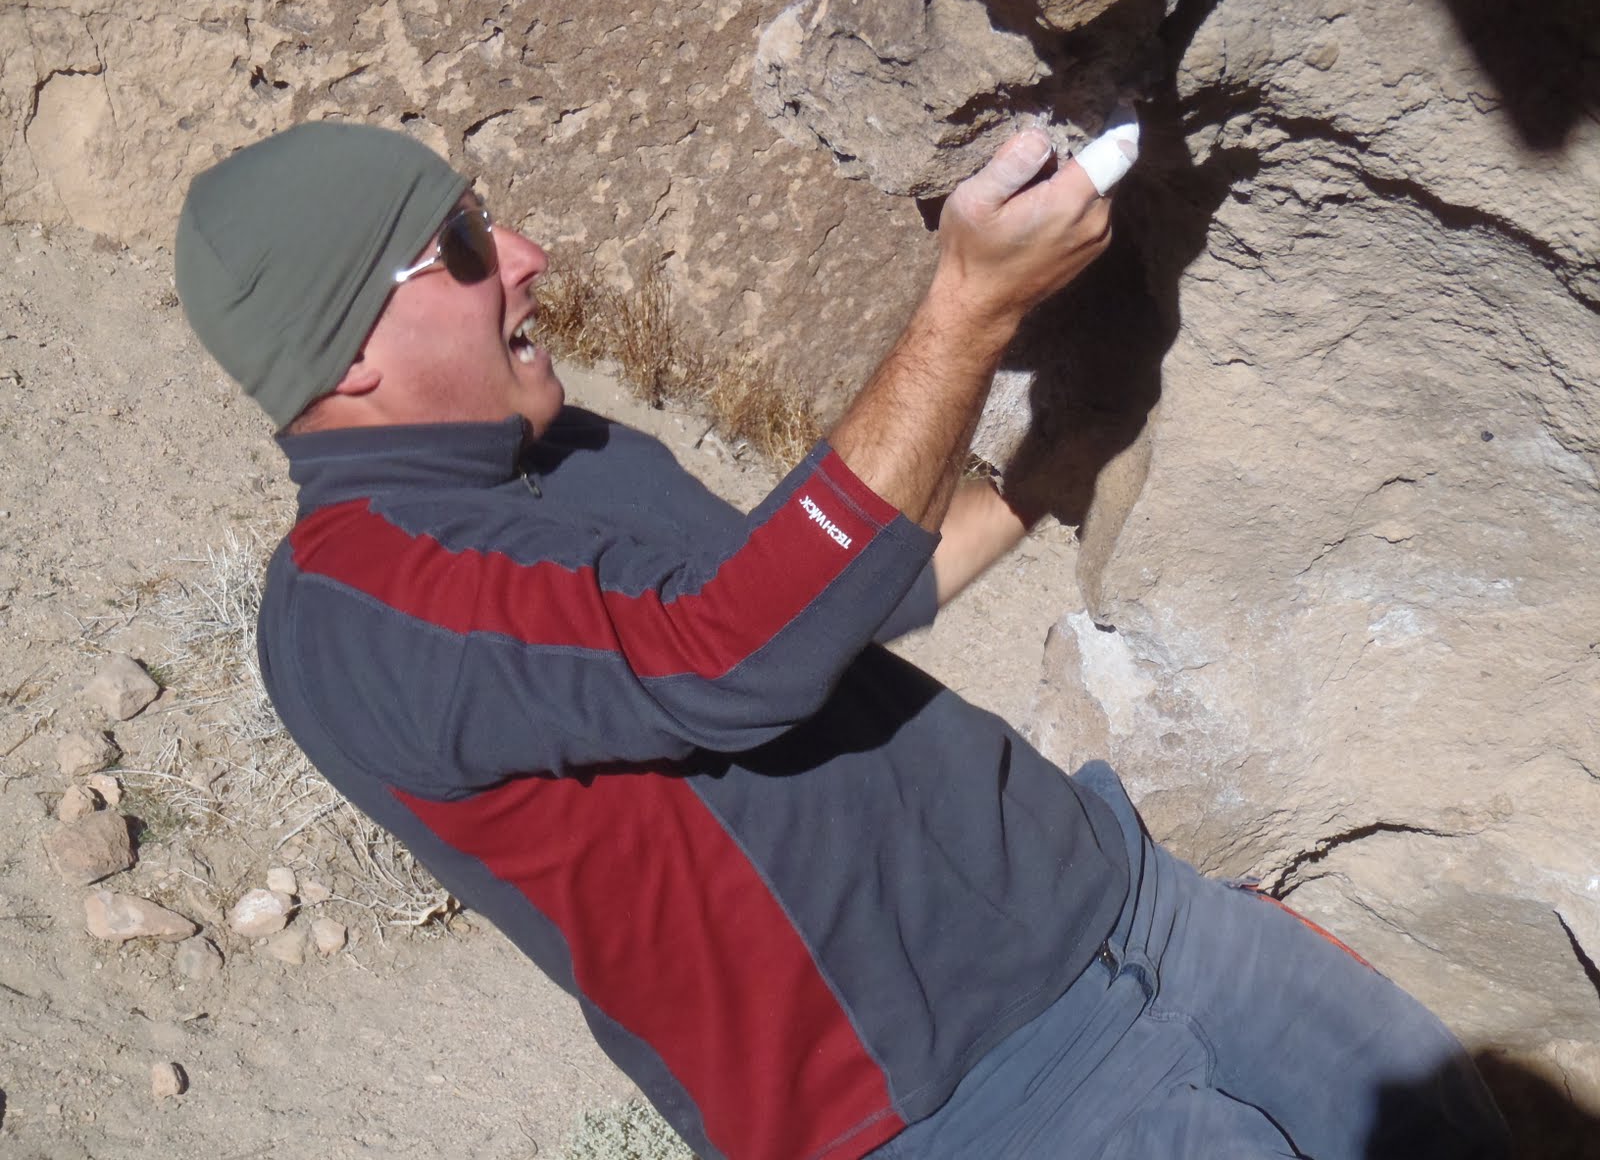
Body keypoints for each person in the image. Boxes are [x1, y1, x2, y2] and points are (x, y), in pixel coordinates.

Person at [174, 120, 1507, 1160]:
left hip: (1137, 911)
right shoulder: (356, 610)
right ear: (345, 353)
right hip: (992, 1107)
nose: (520, 250)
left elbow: (825, 608)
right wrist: (967, 308)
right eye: (460, 244)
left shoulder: (566, 450)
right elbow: (730, 655)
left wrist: (1053, 473)